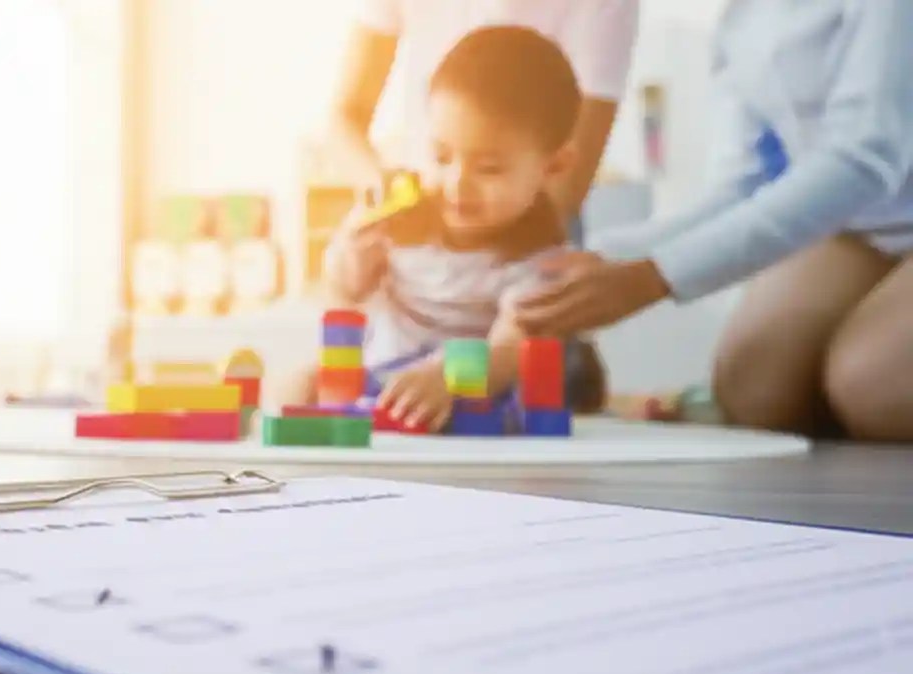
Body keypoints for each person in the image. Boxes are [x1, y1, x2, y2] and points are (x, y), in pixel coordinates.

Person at [513, 0, 913, 442]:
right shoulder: (741, 20)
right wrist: (597, 256)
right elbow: (741, 187)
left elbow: (864, 160)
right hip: (871, 229)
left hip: (876, 201)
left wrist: (656, 277)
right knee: (754, 386)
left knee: (870, 385)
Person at [284, 26, 606, 430]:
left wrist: (450, 379)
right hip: (377, 386)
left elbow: (509, 353)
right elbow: (341, 300)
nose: (457, 183)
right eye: (441, 155)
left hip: (470, 401)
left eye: (489, 168)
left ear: (554, 166)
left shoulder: (543, 263)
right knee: (295, 386)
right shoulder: (395, 220)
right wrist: (349, 266)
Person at [329, 0, 638, 221]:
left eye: (490, 167)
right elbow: (344, 116)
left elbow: (567, 186)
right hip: (423, 210)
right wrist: (382, 186)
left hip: (533, 229)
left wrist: (472, 248)